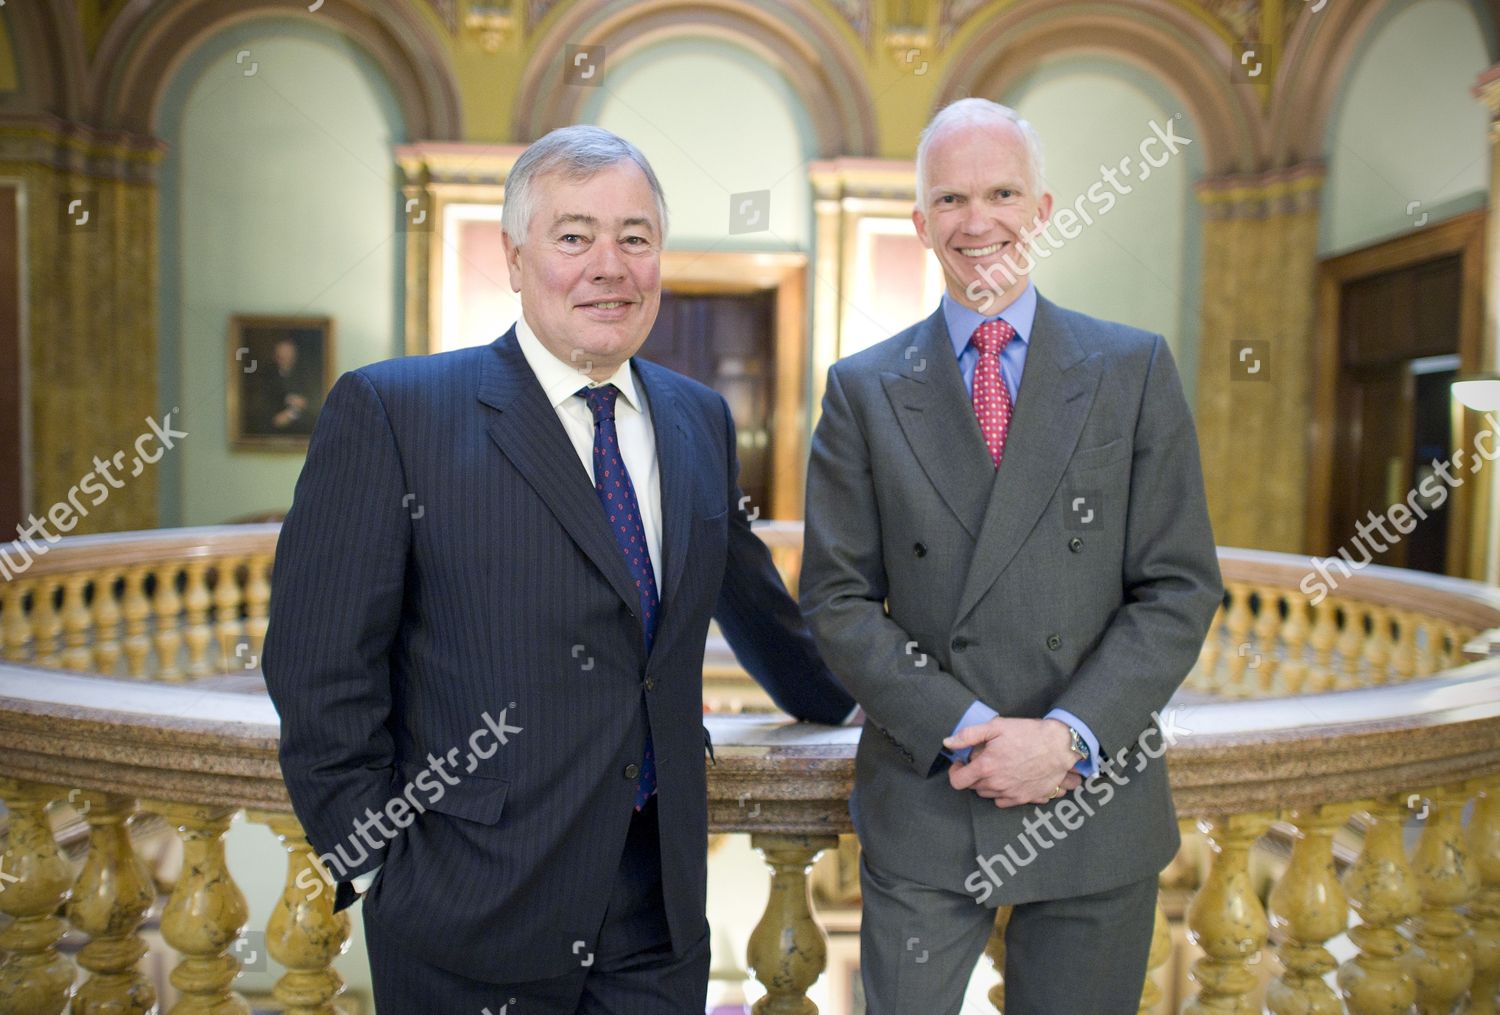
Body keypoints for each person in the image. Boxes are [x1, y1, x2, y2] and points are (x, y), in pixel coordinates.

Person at [262, 124, 855, 1014]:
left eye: (635, 237)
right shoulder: (396, 411)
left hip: (658, 917)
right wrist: (376, 854)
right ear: (513, 256)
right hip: (467, 915)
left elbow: (759, 608)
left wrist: (879, 696)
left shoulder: (698, 418)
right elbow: (318, 665)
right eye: (574, 235)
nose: (608, 265)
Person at [798, 98, 1223, 1013]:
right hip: (929, 796)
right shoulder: (863, 390)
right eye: (950, 199)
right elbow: (834, 600)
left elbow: (1179, 584)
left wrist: (1066, 738)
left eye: (1002, 193)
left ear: (1043, 208)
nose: (977, 221)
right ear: (919, 224)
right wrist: (971, 730)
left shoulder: (1132, 368)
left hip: (1094, 800)